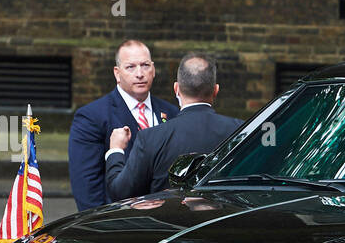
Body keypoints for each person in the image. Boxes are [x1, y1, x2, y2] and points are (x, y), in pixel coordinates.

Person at [104, 52, 243, 202]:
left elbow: (120, 192)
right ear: (216, 90)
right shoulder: (240, 131)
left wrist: (116, 150)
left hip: (167, 223)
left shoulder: (150, 138)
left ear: (176, 89)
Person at [67, 40, 178, 211]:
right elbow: (86, 185)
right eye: (131, 67)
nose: (140, 73)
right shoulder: (92, 117)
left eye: (145, 65)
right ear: (117, 73)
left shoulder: (171, 113)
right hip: (119, 221)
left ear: (154, 70)